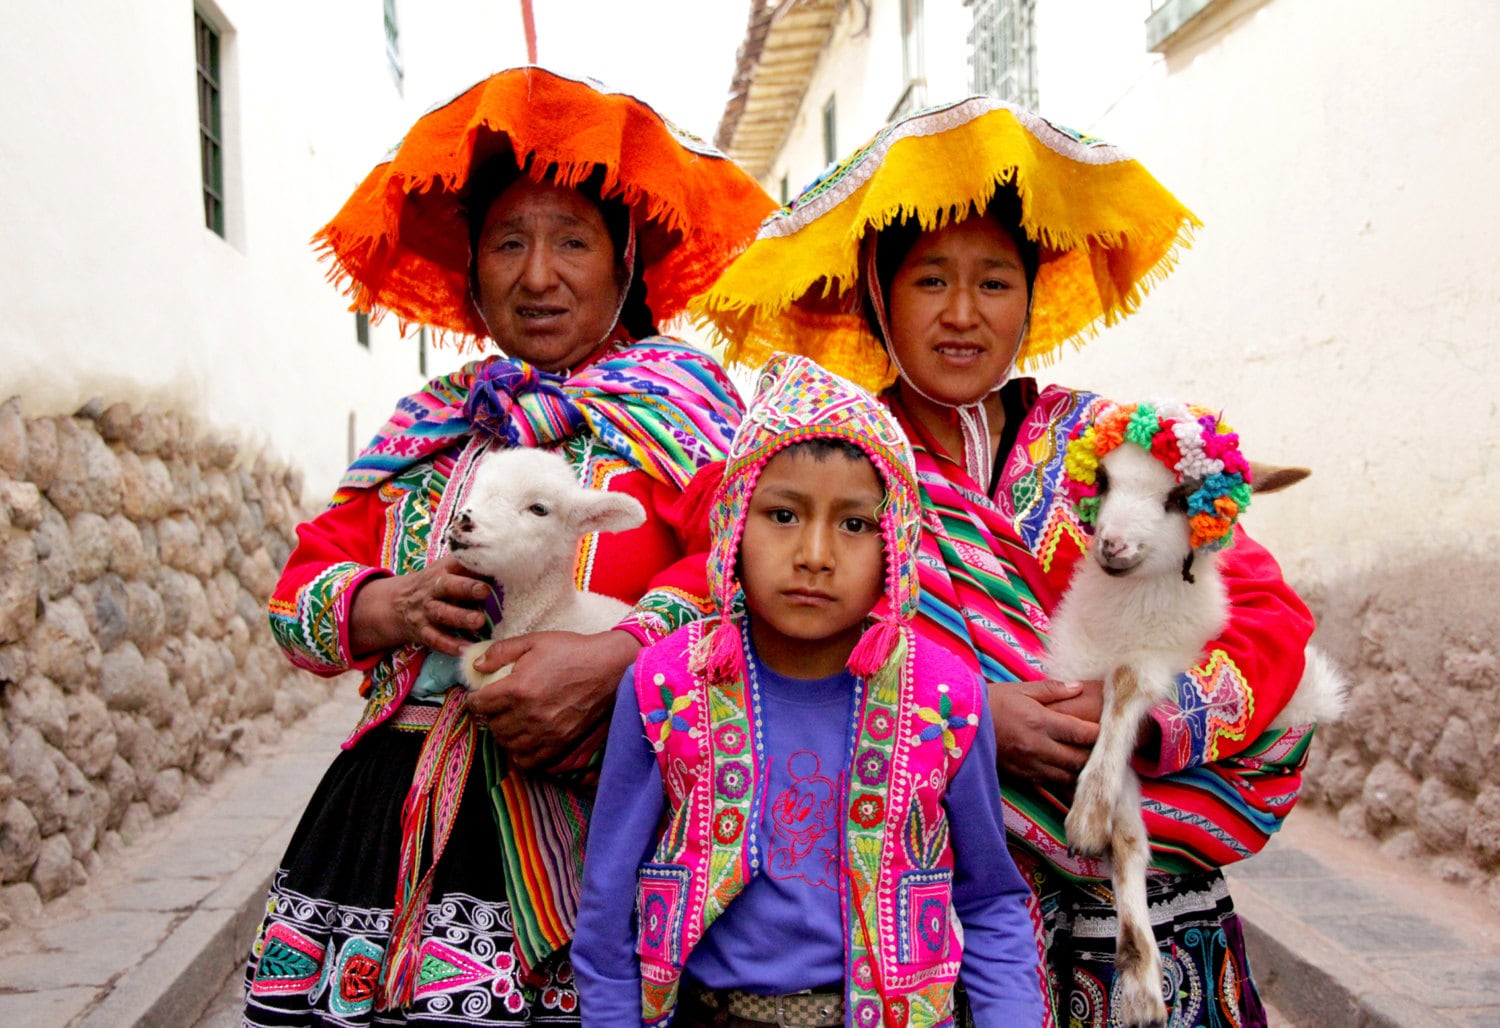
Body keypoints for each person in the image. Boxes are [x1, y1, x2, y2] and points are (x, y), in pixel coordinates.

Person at [694, 98, 1318, 1028]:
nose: (961, 315)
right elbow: (763, 651)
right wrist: (974, 714)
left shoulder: (1116, 448)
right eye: (929, 281)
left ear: (1030, 296)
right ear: (878, 295)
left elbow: (1266, 617)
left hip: (1149, 920)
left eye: (993, 282)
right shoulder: (835, 467)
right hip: (946, 914)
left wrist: (1138, 723)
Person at [244, 67, 773, 1026]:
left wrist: (617, 660)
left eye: (572, 240)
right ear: (472, 276)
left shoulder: (690, 414)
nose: (538, 274)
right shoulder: (431, 426)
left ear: (624, 263)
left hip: (615, 800)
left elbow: (748, 568)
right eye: (508, 243)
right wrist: (393, 605)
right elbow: (296, 602)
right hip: (396, 817)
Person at [571, 353, 1045, 1027]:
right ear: (735, 522)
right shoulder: (666, 685)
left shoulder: (945, 699)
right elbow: (607, 904)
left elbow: (991, 901)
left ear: (895, 542)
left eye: (854, 524)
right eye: (783, 515)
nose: (814, 554)